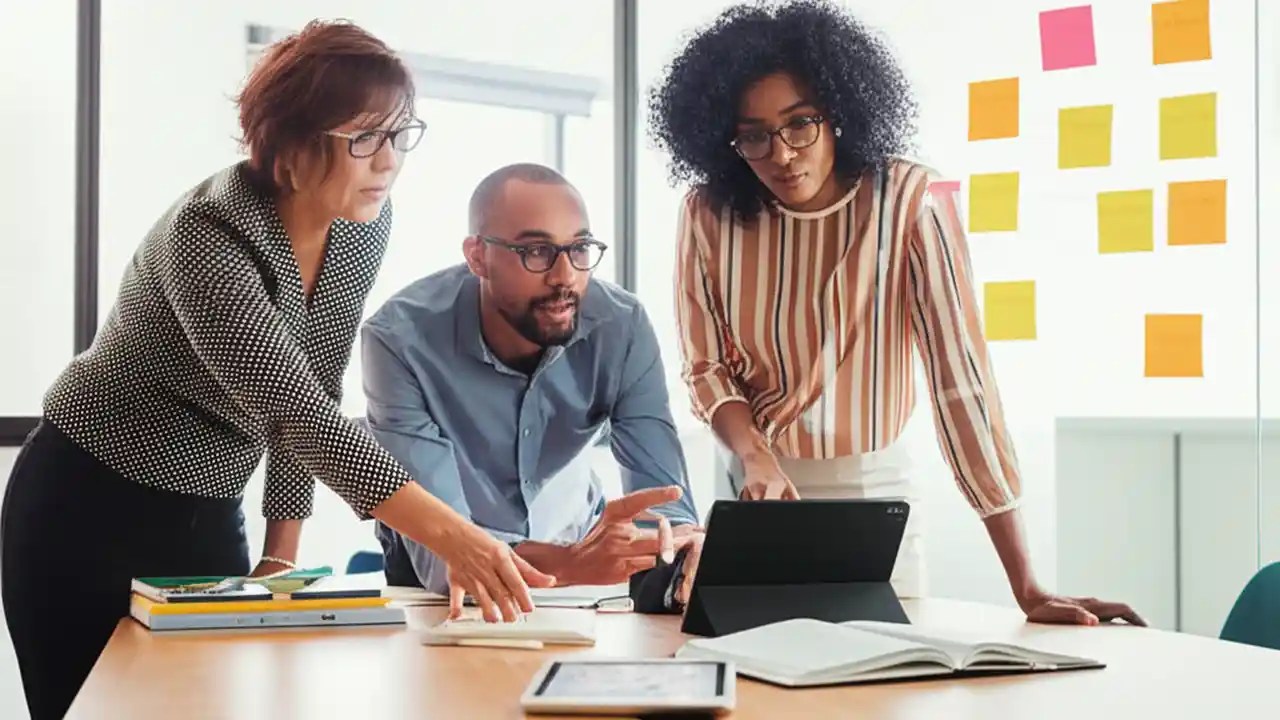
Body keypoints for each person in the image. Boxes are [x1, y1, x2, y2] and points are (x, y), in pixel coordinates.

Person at [0, 21, 550, 720]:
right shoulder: (208, 238)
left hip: (205, 512)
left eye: (399, 134)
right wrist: (455, 536)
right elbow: (297, 413)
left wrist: (281, 556)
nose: (388, 162)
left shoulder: (361, 222)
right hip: (84, 504)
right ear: (290, 150)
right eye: (364, 139)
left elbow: (317, 379)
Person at [648, 0, 1143, 626]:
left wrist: (1027, 585)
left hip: (874, 500)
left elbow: (960, 384)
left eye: (801, 123)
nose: (781, 153)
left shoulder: (911, 201)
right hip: (754, 492)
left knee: (877, 689)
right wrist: (754, 455)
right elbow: (706, 366)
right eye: (753, 135)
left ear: (839, 113)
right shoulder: (708, 213)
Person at [365, 163, 704, 613]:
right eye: (537, 251)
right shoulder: (398, 341)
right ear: (477, 256)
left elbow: (664, 497)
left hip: (585, 567)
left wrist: (683, 548)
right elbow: (443, 555)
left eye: (579, 248)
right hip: (447, 589)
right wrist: (572, 564)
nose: (564, 276)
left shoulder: (621, 326)